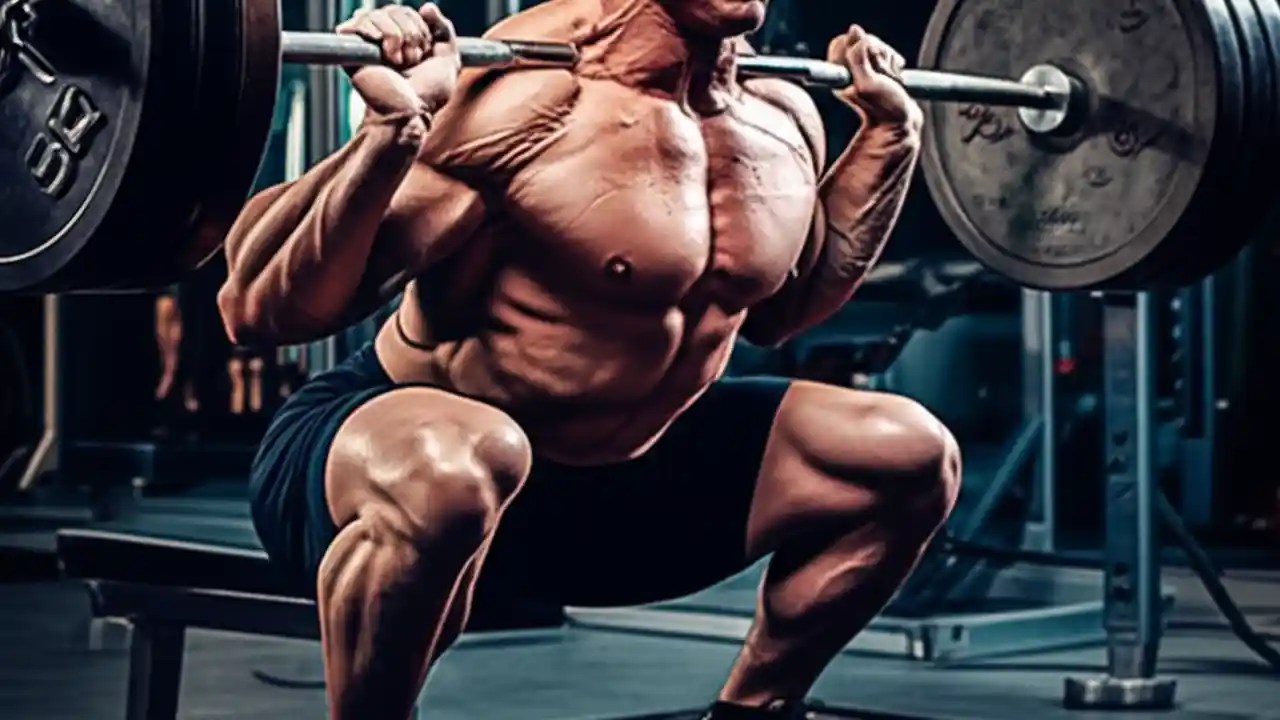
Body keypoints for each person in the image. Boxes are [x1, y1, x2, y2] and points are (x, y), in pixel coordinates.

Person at [218, 1, 961, 718]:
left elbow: (779, 315)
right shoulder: (522, 97)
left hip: (613, 494)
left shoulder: (781, 112)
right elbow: (260, 310)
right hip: (403, 478)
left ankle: (753, 712)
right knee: (465, 459)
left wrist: (889, 139)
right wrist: (392, 132)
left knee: (909, 455)